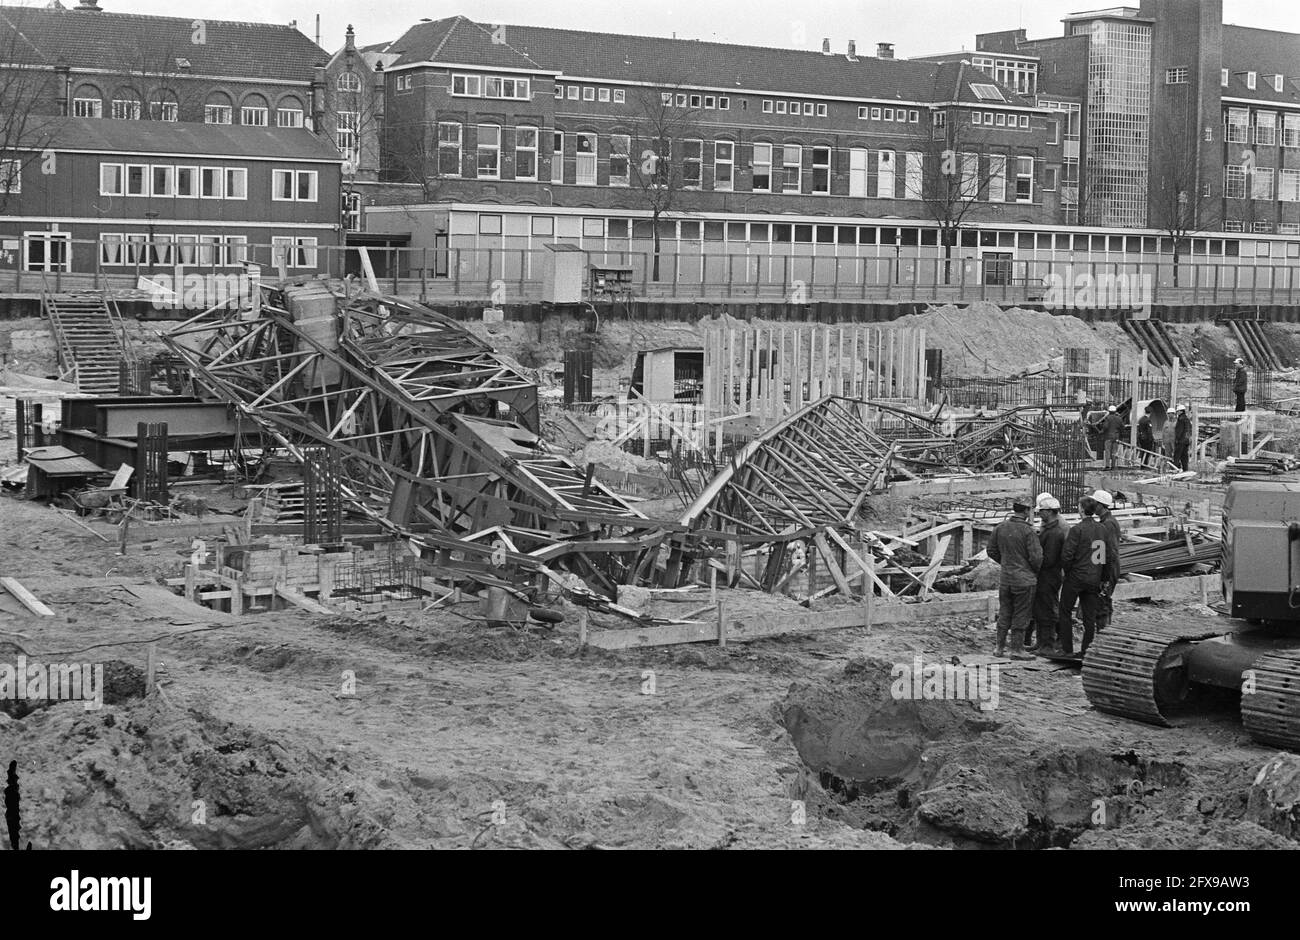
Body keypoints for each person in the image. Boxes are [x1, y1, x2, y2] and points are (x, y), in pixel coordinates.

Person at [987, 499, 1042, 660]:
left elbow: (991, 550)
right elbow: (1036, 557)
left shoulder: (1000, 528)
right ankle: (1017, 649)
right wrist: (1032, 570)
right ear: (1026, 511)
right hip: (1024, 581)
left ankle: (999, 647)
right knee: (1021, 614)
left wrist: (1005, 562)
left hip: (1006, 579)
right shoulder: (1028, 532)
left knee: (1004, 612)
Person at [1056, 497, 1109, 657]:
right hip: (1094, 578)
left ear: (1081, 509)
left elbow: (1067, 556)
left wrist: (1068, 572)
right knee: (1089, 617)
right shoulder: (1102, 529)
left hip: (1076, 577)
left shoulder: (1077, 530)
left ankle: (1067, 649)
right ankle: (1086, 650)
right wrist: (1102, 577)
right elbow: (1104, 557)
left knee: (1064, 611)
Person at [1029, 493, 1067, 654]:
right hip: (1045, 576)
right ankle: (1041, 642)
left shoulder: (1055, 532)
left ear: (1050, 512)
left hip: (1049, 576)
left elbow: (1049, 559)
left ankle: (1048, 645)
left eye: (1041, 511)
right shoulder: (1049, 529)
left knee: (1047, 610)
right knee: (1040, 609)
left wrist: (1034, 562)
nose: (1039, 514)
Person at [1091, 489, 1123, 636]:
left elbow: (1107, 552)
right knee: (1103, 601)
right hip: (1109, 568)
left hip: (1108, 569)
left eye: (1094, 503)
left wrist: (1102, 575)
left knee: (1101, 602)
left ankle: (1103, 635)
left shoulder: (1107, 525)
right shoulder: (1107, 522)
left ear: (1101, 505)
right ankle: (1104, 633)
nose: (1092, 506)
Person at [1101, 405, 1124, 470]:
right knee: (1114, 451)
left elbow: (1105, 427)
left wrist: (1102, 431)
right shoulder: (1119, 418)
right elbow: (1122, 427)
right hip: (1116, 437)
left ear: (1109, 411)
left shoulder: (1108, 418)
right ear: (1115, 411)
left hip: (1108, 437)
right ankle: (1113, 466)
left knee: (1108, 451)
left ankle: (1107, 466)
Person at [1174, 404, 1192, 472]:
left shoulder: (1180, 419)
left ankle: (1174, 469)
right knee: (1184, 456)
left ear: (1180, 411)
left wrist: (1177, 439)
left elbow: (1179, 431)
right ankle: (1185, 469)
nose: (1177, 413)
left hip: (1181, 441)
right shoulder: (1187, 419)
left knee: (1177, 456)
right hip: (1186, 441)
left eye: (1177, 411)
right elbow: (1189, 430)